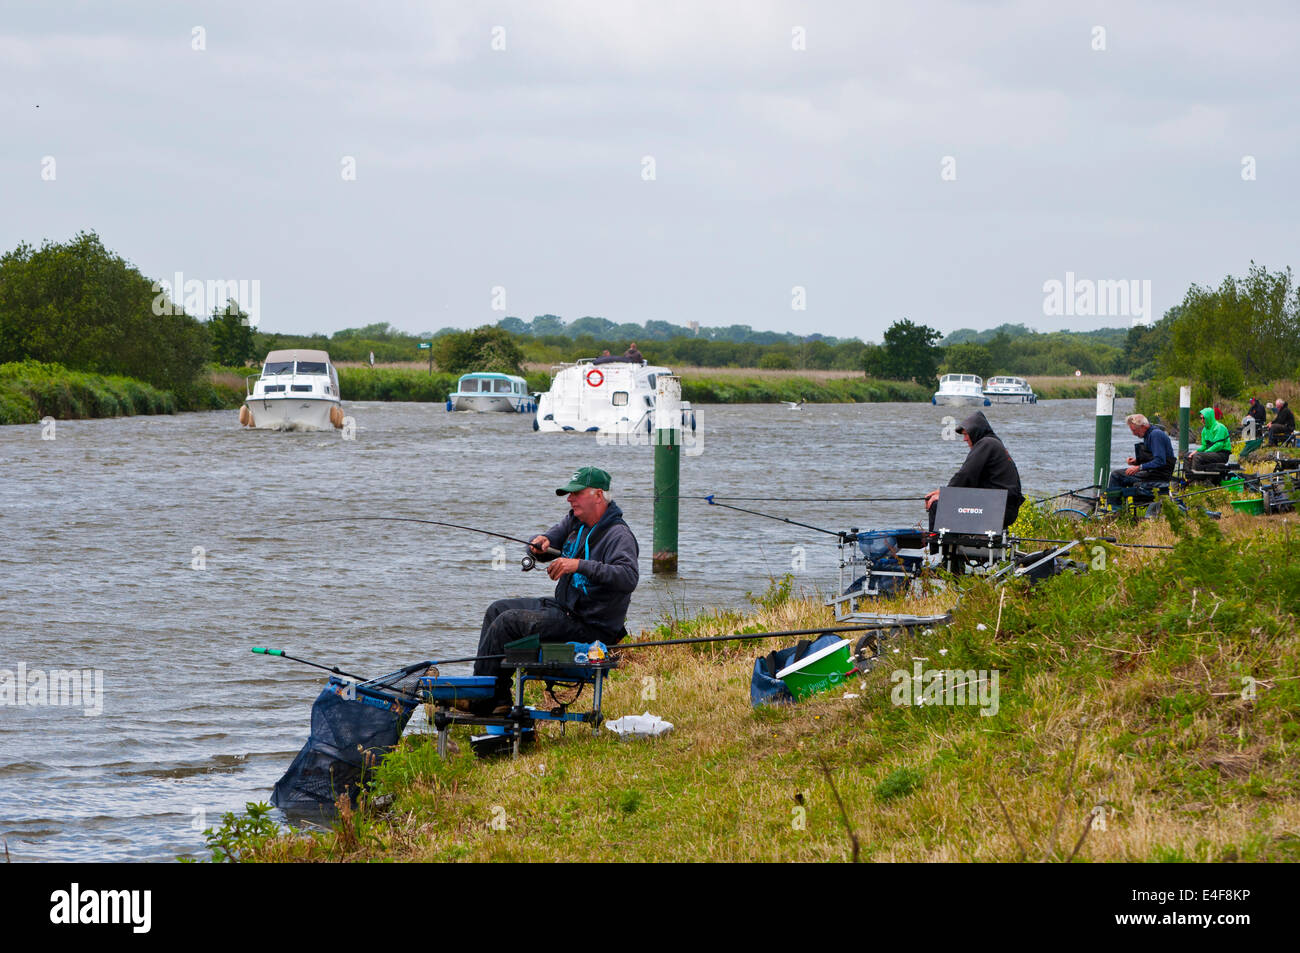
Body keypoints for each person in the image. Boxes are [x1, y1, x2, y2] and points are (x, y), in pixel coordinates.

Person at [470, 467, 639, 713]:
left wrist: (578, 565)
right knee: (497, 609)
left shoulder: (619, 535)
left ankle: (483, 702)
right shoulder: (575, 521)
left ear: (598, 496)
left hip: (591, 625)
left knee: (508, 622)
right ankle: (495, 697)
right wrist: (539, 546)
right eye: (569, 495)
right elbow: (548, 540)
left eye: (576, 494)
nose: (570, 499)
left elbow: (628, 577)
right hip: (565, 610)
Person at [924, 410, 1024, 536]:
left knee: (938, 505)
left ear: (976, 432)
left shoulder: (985, 443)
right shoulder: (993, 443)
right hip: (1002, 506)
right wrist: (941, 491)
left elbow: (966, 474)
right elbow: (971, 481)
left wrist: (946, 496)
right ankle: (956, 547)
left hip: (999, 508)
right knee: (946, 501)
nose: (964, 439)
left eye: (966, 434)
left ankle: (939, 550)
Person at [1108, 413, 1173, 489]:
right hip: (1153, 472)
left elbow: (1160, 461)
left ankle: (1112, 500)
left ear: (1143, 426)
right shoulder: (1149, 435)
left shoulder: (1156, 435)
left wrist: (1139, 467)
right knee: (1122, 474)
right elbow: (1153, 458)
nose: (1134, 434)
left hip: (1159, 475)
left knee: (1116, 475)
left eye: (1134, 430)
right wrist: (1136, 462)